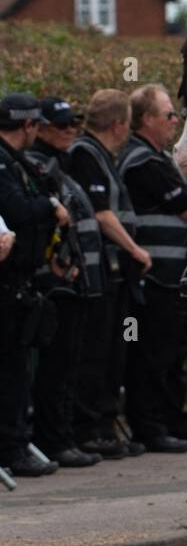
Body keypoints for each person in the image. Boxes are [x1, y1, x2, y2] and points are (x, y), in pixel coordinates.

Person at [118, 84, 187, 451]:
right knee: (153, 354)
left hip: (173, 274)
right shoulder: (141, 160)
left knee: (174, 351)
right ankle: (152, 426)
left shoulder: (160, 157)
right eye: (168, 114)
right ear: (146, 119)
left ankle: (180, 424)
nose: (176, 120)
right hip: (155, 274)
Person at [69, 90, 151, 458]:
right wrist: (135, 250)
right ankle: (90, 428)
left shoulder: (101, 155)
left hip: (115, 273)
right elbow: (102, 214)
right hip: (102, 270)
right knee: (97, 352)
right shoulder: (85, 155)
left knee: (114, 352)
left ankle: (105, 424)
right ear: (119, 125)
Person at [25, 96, 105, 467]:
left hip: (77, 282)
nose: (70, 131)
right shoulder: (38, 165)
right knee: (55, 368)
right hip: (55, 283)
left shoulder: (63, 162)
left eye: (73, 123)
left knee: (70, 364)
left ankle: (64, 436)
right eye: (61, 126)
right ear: (38, 128)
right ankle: (54, 440)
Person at [0, 93, 67, 477]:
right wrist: (50, 208)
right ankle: (13, 447)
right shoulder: (4, 165)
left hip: (24, 279)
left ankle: (19, 442)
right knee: (11, 371)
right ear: (27, 126)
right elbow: (18, 210)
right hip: (8, 282)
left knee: (20, 367)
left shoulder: (16, 162)